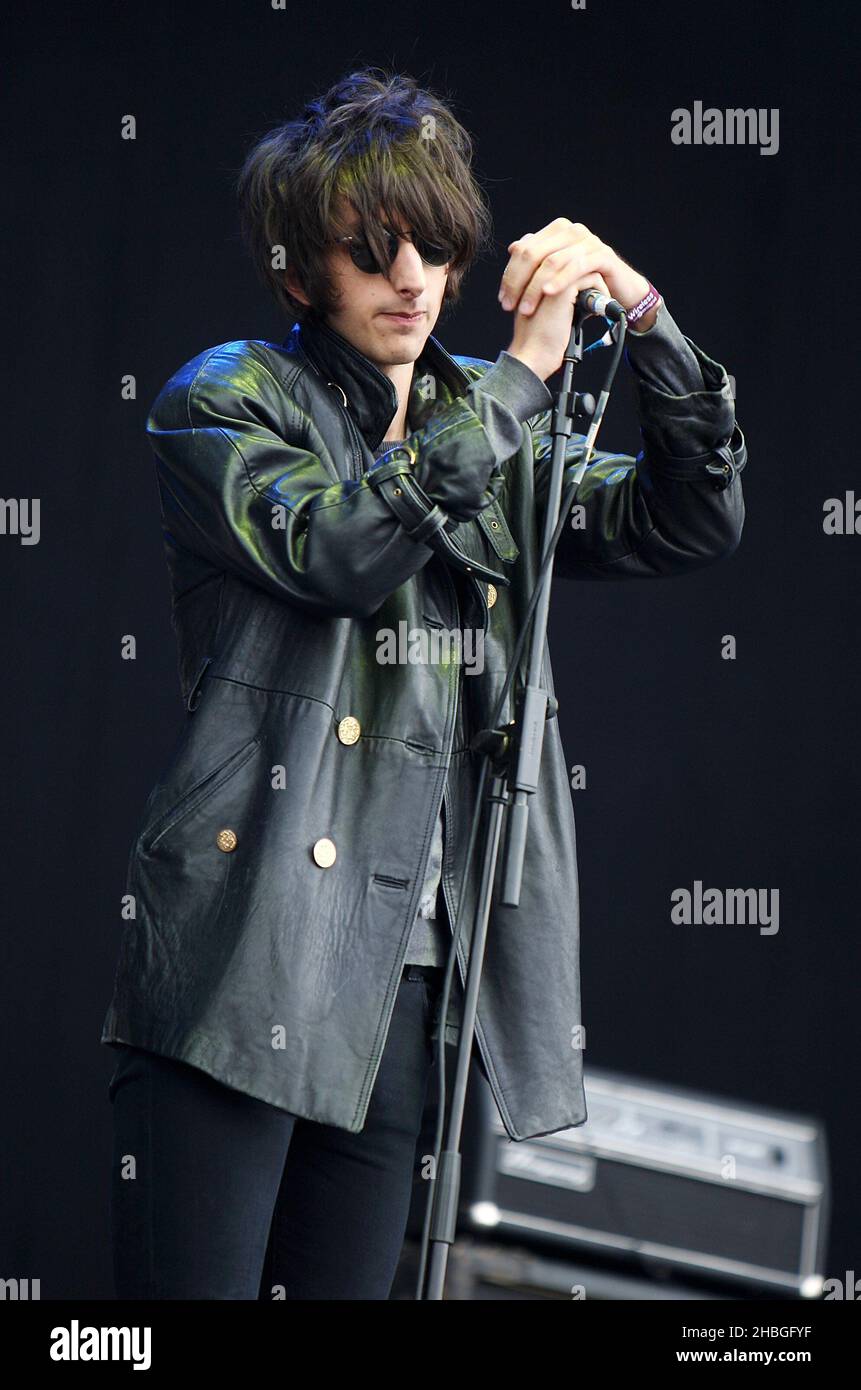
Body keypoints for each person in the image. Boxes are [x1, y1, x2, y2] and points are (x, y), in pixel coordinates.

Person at [100, 66, 747, 1299]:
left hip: (409, 984)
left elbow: (691, 518)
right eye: (370, 248)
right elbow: (336, 547)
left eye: (434, 247)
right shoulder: (227, 399)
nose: (410, 278)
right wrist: (513, 387)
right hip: (244, 961)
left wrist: (647, 318)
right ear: (302, 272)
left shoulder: (496, 438)